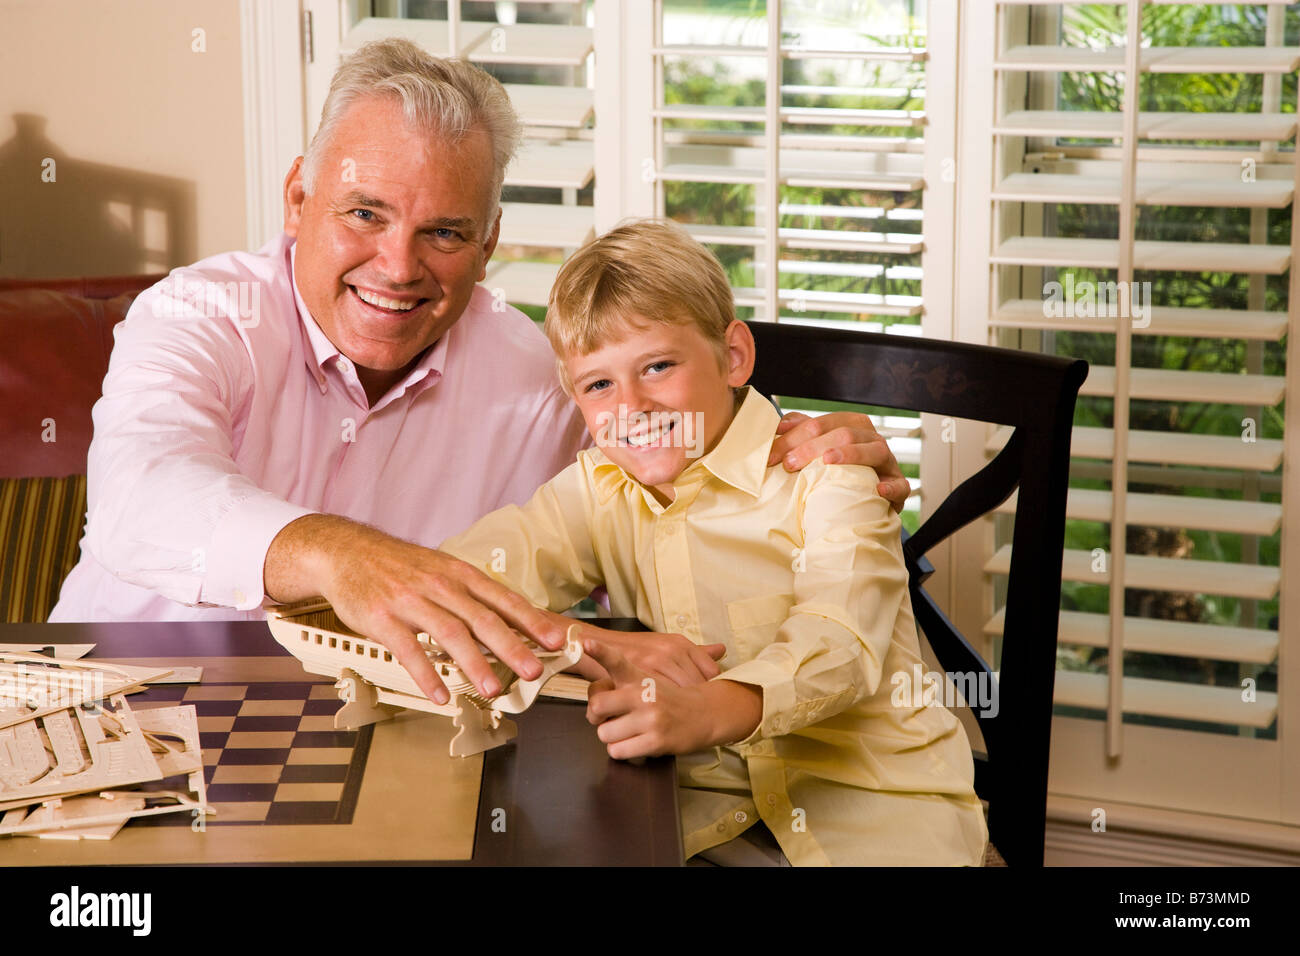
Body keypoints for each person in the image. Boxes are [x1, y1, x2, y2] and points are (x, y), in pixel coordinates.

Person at [49, 38, 911, 712]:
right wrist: (344, 556)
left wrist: (801, 460)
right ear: (298, 199)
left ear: (490, 244)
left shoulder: (542, 376)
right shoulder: (196, 315)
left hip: (394, 728)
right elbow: (144, 490)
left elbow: (661, 490)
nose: (397, 266)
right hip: (129, 703)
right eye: (363, 213)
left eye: (445, 233)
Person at [439, 220, 988, 866]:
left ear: (733, 357)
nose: (633, 407)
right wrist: (587, 642)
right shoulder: (599, 489)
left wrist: (707, 710)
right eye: (598, 386)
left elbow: (840, 644)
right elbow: (456, 584)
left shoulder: (828, 473)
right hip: (705, 825)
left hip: (877, 820)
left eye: (658, 366)